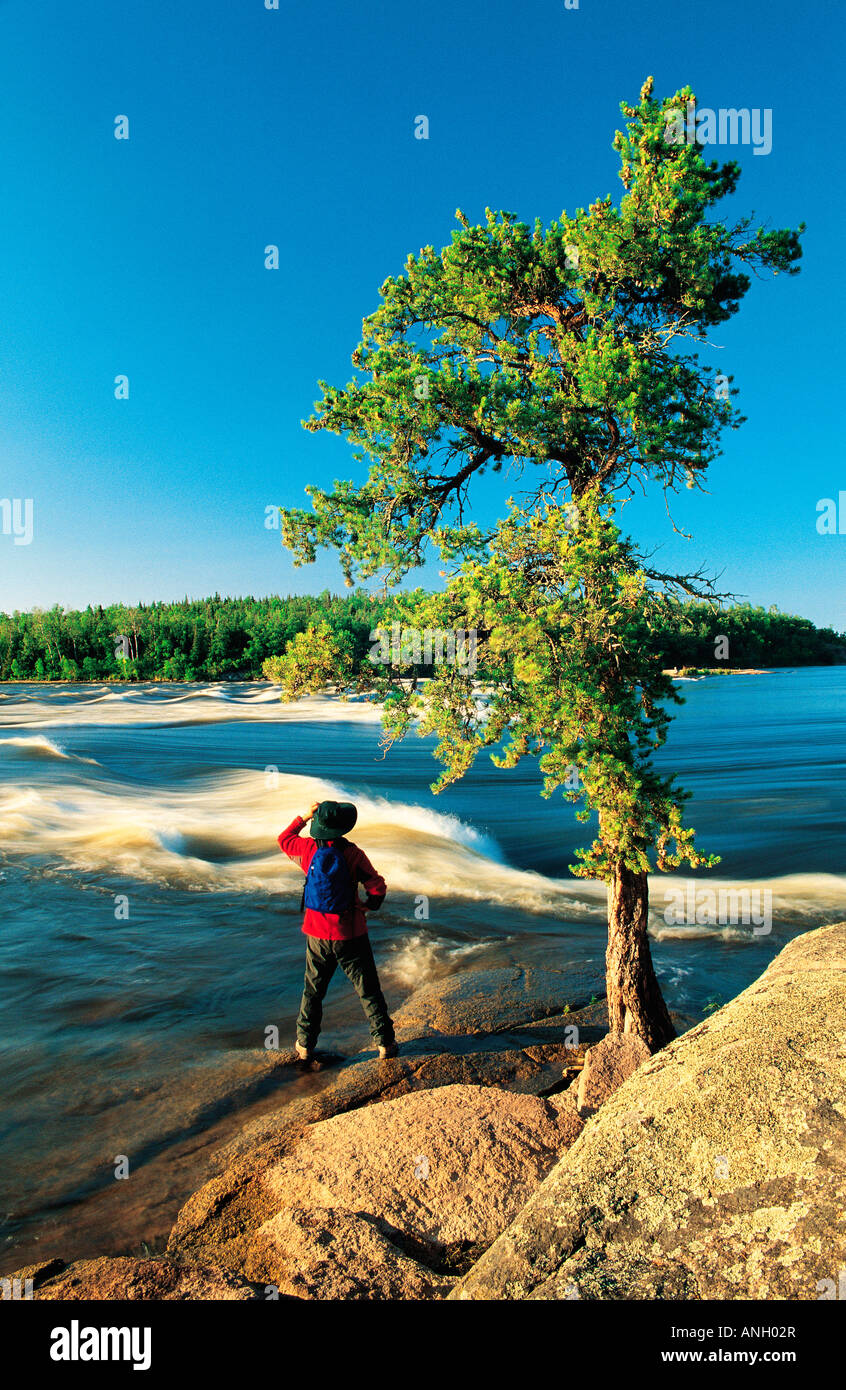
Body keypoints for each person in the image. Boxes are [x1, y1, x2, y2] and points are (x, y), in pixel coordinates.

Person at [278, 799, 398, 1062]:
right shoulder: (354, 854)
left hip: (316, 934)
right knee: (368, 989)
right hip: (351, 933)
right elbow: (377, 886)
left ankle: (304, 1046)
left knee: (313, 991)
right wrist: (369, 906)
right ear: (343, 827)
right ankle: (385, 1044)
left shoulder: (308, 849)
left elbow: (283, 839)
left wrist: (304, 816)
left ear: (319, 825)